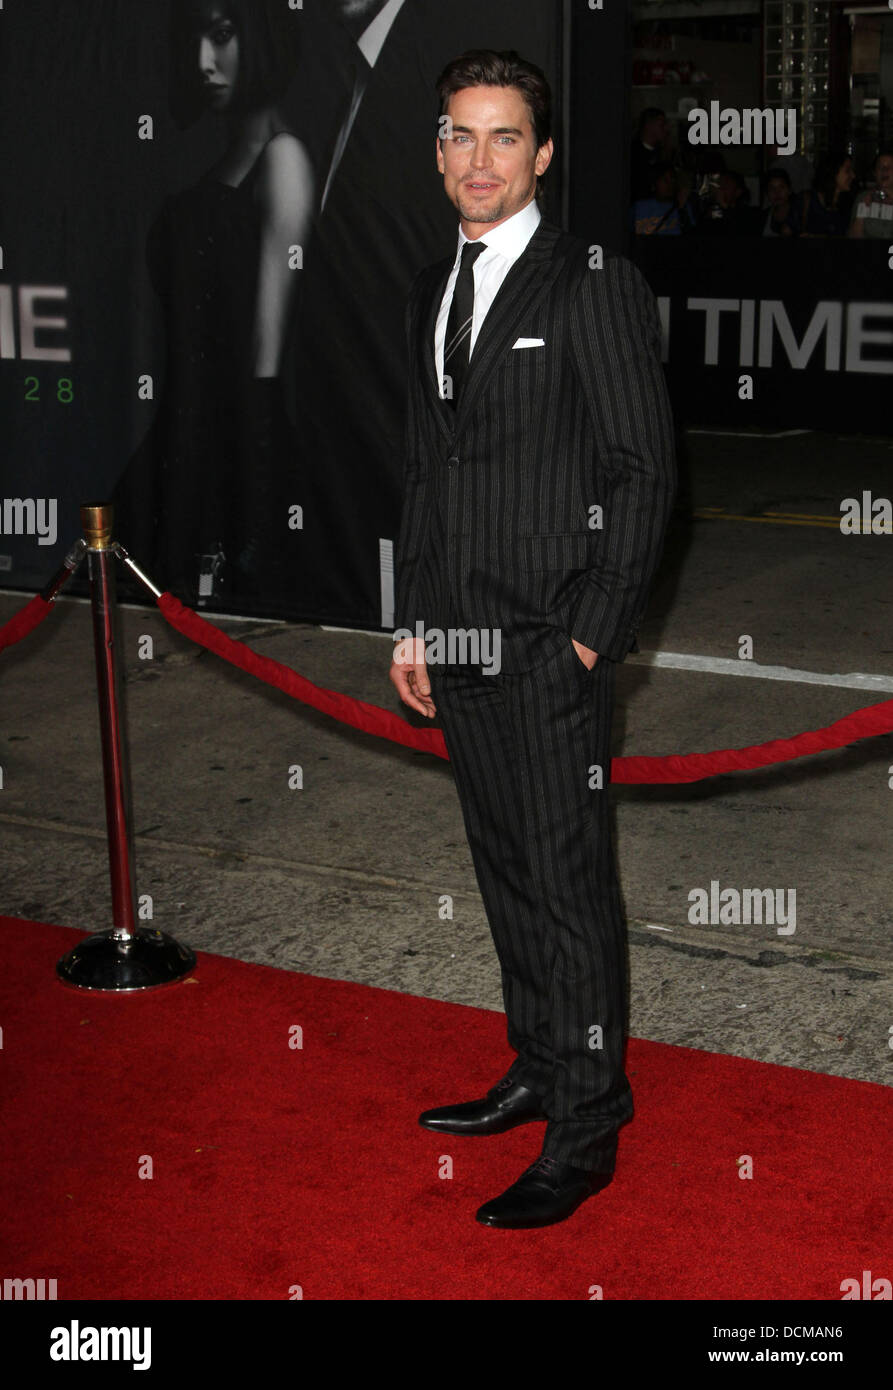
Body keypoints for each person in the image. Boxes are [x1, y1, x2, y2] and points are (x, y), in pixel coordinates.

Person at [390, 50, 676, 1229]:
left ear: (542, 153)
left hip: (549, 643)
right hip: (457, 640)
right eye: (458, 135)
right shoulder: (434, 283)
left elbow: (643, 469)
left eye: (503, 137)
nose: (477, 160)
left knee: (566, 890)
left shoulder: (589, 282)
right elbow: (426, 468)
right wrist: (412, 620)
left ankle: (587, 1118)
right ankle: (537, 1062)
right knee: (504, 866)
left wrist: (590, 638)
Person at [113, 0, 313, 610]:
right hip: (183, 434)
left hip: (228, 449)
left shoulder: (283, 161)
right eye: (196, 39)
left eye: (223, 35)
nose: (204, 61)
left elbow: (265, 363)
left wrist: (242, 499)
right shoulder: (214, 164)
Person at [799, 152, 855, 237]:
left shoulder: (848, 204)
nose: (853, 175)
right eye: (847, 171)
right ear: (833, 172)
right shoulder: (807, 200)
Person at [632, 164, 696, 235]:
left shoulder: (683, 206)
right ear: (655, 182)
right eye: (665, 180)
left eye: (672, 179)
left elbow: (690, 235)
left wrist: (682, 208)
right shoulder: (639, 207)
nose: (670, 184)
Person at [849, 147, 893, 239]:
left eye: (889, 167)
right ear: (875, 173)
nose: (884, 171)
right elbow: (853, 239)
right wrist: (863, 209)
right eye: (880, 167)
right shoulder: (864, 198)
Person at [630, 107, 669, 202]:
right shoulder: (632, 154)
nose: (666, 129)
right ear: (648, 125)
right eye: (661, 125)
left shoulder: (661, 154)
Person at [760, 167, 800, 237]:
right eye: (772, 188)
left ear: (789, 190)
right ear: (767, 193)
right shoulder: (763, 217)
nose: (777, 192)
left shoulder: (800, 214)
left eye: (781, 187)